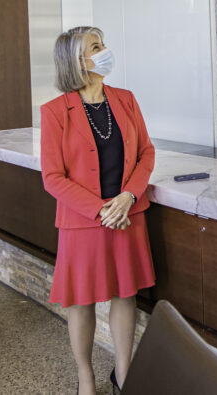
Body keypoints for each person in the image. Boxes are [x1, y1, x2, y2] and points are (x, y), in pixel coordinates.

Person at [40, 26, 156, 395]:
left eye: (102, 44)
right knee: (81, 300)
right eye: (96, 46)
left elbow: (146, 154)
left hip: (127, 216)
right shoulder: (55, 112)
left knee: (125, 294)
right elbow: (52, 177)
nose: (105, 51)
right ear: (77, 60)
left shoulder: (126, 100)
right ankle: (86, 379)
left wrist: (128, 198)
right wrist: (100, 209)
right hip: (82, 221)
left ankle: (124, 374)